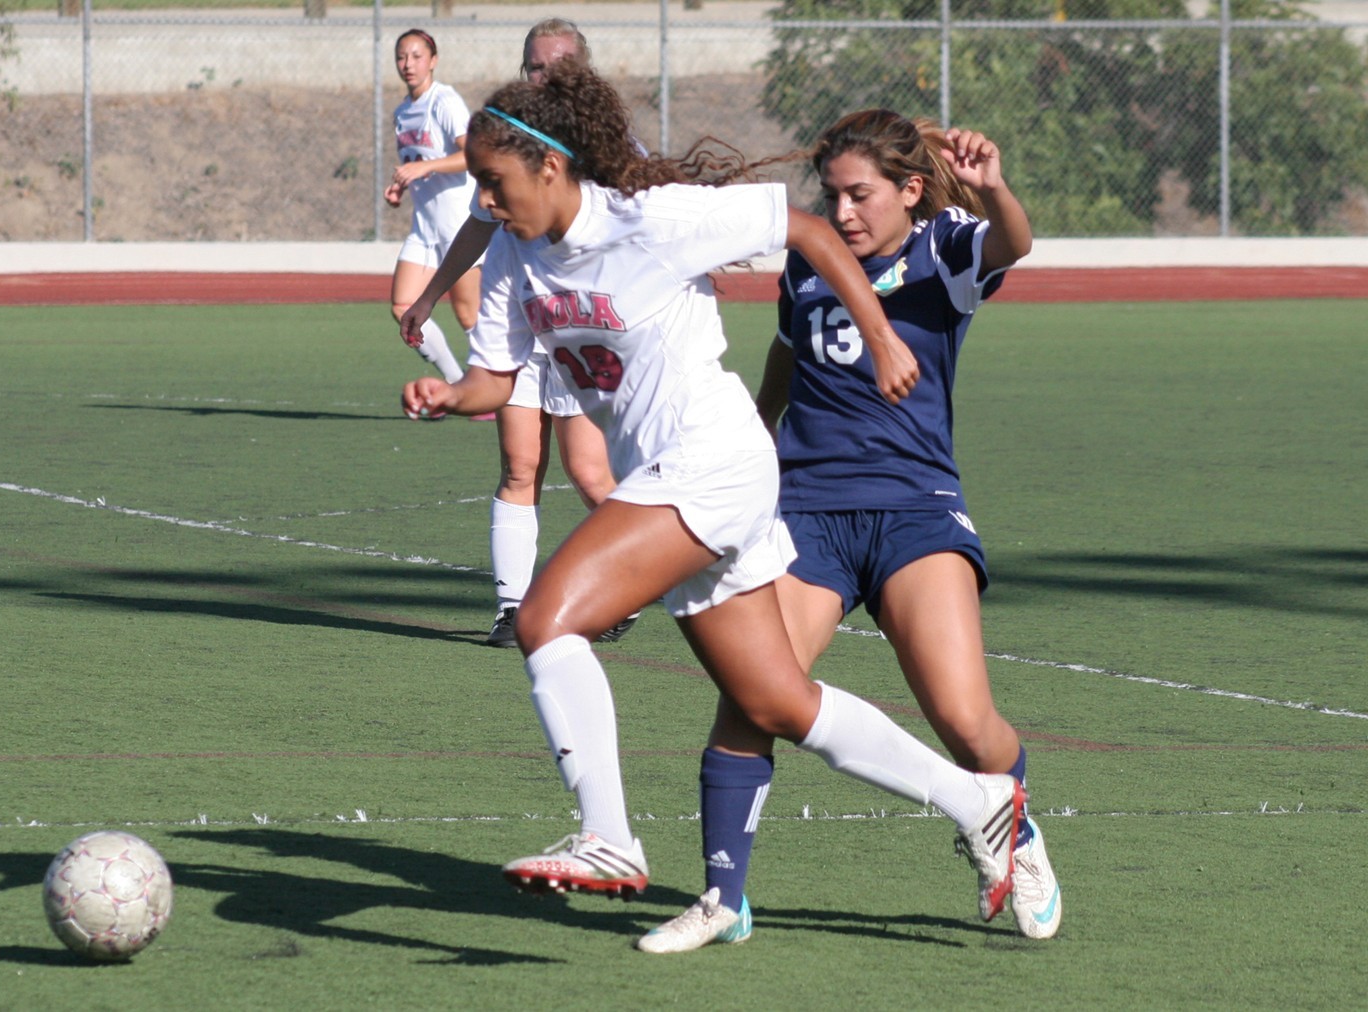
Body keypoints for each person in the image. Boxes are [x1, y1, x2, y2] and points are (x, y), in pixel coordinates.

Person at [400, 60, 1028, 943]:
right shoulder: (510, 255)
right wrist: (447, 397)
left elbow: (805, 229)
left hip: (717, 463)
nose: (485, 204)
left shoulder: (651, 219)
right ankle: (976, 803)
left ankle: (609, 837)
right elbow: (493, 378)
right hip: (668, 481)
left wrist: (882, 336)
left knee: (547, 618)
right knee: (776, 701)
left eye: (495, 184)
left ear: (550, 167)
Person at [636, 109, 1061, 955]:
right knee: (756, 695)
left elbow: (1012, 243)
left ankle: (1016, 837)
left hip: (914, 510)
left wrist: (996, 191)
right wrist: (756, 430)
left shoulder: (943, 249)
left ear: (909, 191)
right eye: (831, 196)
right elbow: (788, 353)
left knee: (967, 722)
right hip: (804, 515)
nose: (844, 214)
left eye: (861, 195)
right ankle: (724, 898)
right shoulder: (809, 257)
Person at [399, 19, 639, 647]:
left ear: (582, 71)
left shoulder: (609, 147)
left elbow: (647, 222)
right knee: (519, 463)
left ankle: (629, 586)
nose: (543, 76)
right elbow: (478, 227)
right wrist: (427, 297)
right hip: (521, 325)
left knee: (589, 474)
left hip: (582, 327)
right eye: (534, 66)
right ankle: (511, 608)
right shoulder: (507, 141)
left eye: (557, 66)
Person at [385, 28, 480, 392]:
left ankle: (497, 389)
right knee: (403, 306)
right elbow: (417, 161)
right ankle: (458, 384)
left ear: (433, 61)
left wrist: (423, 168)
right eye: (401, 57)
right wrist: (401, 184)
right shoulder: (402, 112)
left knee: (468, 314)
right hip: (424, 227)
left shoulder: (445, 100)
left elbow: (472, 154)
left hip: (458, 224)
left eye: (416, 56)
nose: (407, 64)